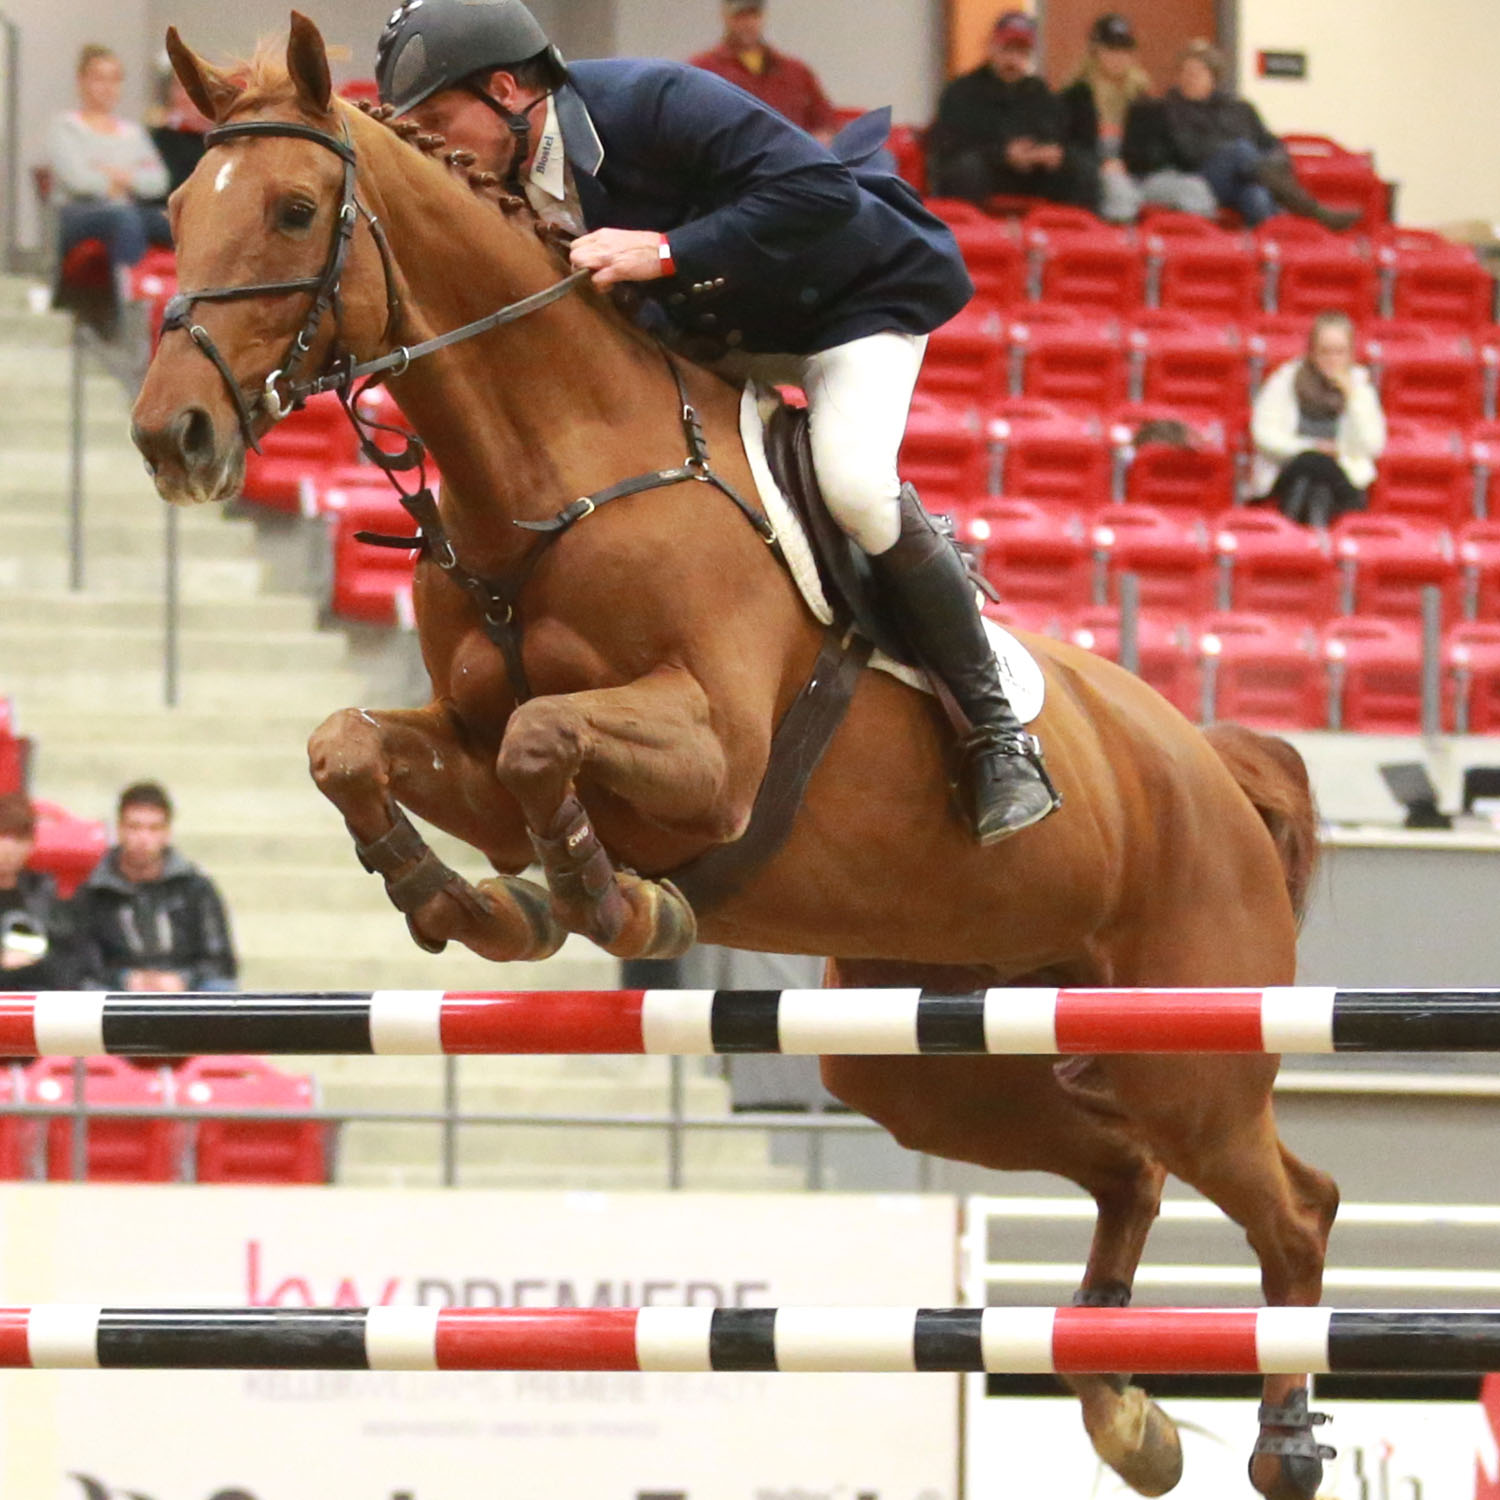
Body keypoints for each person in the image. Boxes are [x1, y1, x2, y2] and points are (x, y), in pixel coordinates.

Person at [374, 0, 1059, 842]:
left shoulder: (652, 101)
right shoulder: (496, 180)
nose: (437, 146)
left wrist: (664, 250)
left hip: (845, 307)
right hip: (713, 338)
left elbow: (818, 190)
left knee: (851, 481)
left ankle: (998, 735)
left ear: (508, 89)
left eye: (440, 121)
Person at [1155, 40, 1359, 230]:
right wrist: (1233, 154)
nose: (1188, 78)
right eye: (1184, 72)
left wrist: (1266, 163)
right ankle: (1314, 212)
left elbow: (1272, 145)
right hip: (1200, 179)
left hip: (1245, 179)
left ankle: (1271, 254)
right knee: (1240, 151)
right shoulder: (1169, 109)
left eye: (1197, 73)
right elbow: (1187, 153)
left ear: (1213, 77)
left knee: (1257, 195)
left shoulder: (1240, 109)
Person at [72, 782, 237, 992]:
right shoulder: (94, 893)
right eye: (134, 827)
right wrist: (125, 979)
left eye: (154, 828)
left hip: (187, 990)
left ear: (167, 832)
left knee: (220, 990)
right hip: (118, 993)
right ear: (119, 829)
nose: (143, 838)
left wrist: (182, 980)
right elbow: (81, 962)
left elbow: (220, 960)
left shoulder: (195, 888)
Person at [45, 45, 172, 314]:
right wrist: (129, 177)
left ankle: (177, 297)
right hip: (78, 215)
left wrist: (112, 173)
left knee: (173, 221)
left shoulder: (133, 132)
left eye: (114, 78)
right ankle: (130, 305)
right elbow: (80, 182)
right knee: (123, 217)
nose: (107, 87)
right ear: (82, 82)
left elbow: (158, 181)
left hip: (128, 208)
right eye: (99, 78)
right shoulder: (66, 127)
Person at [1059, 14, 1216, 224]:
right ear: (1095, 51)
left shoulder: (1145, 98)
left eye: (1125, 49)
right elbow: (1067, 147)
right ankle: (1119, 252)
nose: (1119, 56)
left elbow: (1163, 150)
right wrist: (1101, 163)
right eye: (1111, 48)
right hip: (1097, 173)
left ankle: (1191, 252)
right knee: (1119, 191)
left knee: (1194, 189)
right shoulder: (1075, 96)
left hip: (1141, 174)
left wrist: (1138, 163)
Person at [928, 10, 1093, 210]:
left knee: (1079, 166)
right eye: (1007, 49)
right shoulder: (962, 91)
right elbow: (951, 143)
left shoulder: (1040, 93)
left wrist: (1048, 152)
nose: (1013, 59)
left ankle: (1074, 234)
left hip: (1031, 175)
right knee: (966, 168)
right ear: (992, 47)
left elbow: (1057, 134)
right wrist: (1003, 154)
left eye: (1021, 52)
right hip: (985, 172)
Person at [1251, 311, 1386, 527]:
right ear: (1312, 351)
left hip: (1343, 484)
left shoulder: (1360, 388)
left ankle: (1293, 540)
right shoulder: (1286, 380)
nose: (1332, 359)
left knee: (1316, 481)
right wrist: (1311, 446)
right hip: (1288, 473)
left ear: (1351, 354)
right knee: (1310, 465)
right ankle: (1316, 543)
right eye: (1325, 351)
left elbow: (1371, 445)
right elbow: (1263, 435)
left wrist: (1353, 399)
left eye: (1339, 352)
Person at [689, 0, 839, 143]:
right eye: (740, 15)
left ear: (763, 17)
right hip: (729, 166)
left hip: (790, 163)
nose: (747, 23)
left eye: (754, 15)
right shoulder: (702, 71)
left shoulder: (796, 72)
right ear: (725, 16)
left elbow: (825, 121)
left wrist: (821, 139)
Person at [0, 793, 83, 990]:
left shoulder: (44, 893)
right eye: (2, 836)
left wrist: (37, 959)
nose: (8, 848)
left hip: (39, 1001)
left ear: (31, 843)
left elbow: (70, 958)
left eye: (19, 839)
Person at [145, 62, 211, 196]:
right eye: (181, 87)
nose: (188, 96)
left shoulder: (224, 142)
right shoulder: (157, 138)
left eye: (198, 86)